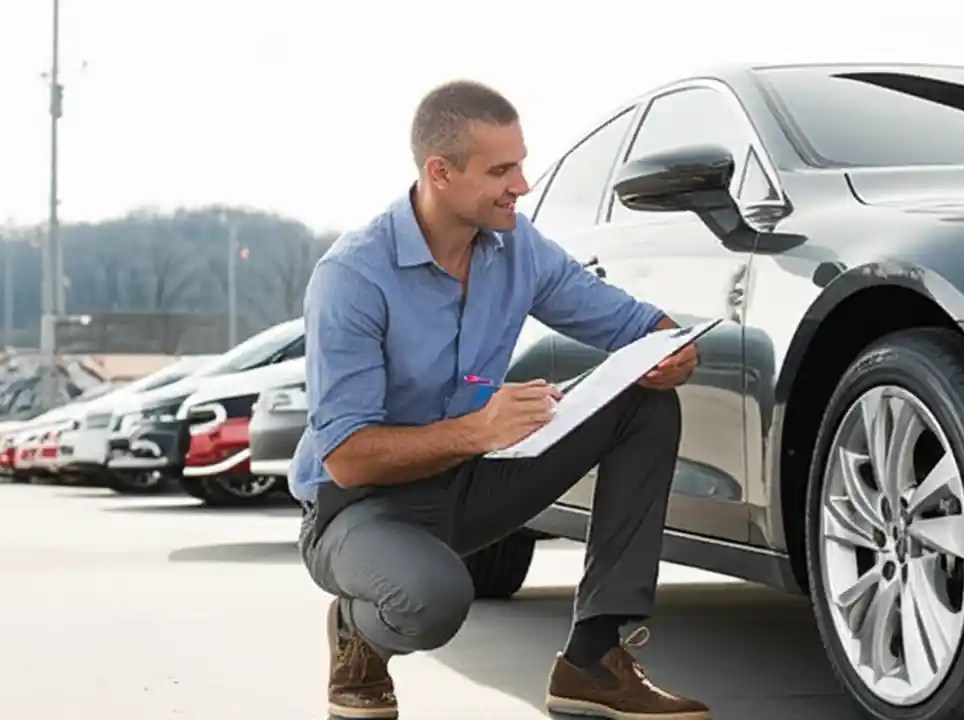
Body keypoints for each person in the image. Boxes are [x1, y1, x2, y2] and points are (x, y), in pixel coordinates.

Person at [288, 78, 710, 720]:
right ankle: (356, 630)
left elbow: (633, 324)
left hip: (472, 484)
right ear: (440, 172)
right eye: (501, 170)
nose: (523, 185)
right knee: (432, 602)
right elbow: (346, 457)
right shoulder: (352, 277)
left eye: (521, 162)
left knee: (643, 404)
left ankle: (593, 660)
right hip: (359, 509)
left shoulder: (519, 248)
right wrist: (478, 431)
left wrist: (668, 348)